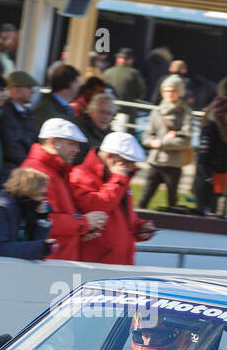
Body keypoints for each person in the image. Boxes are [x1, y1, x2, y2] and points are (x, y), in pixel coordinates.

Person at [21, 118, 107, 261]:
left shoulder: (56, 171)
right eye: (71, 143)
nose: (77, 150)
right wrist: (84, 223)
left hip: (56, 259)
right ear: (54, 142)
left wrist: (83, 229)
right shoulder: (37, 172)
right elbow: (45, 220)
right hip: (50, 261)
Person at [70, 131, 156, 264]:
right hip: (95, 265)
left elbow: (123, 217)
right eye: (127, 162)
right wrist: (118, 178)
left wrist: (141, 227)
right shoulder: (80, 175)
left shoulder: (117, 178)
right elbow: (97, 207)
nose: (130, 167)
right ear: (110, 156)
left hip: (118, 263)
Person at [193, 76, 227, 216]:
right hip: (210, 181)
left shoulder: (226, 127)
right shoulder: (213, 127)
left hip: (220, 179)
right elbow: (203, 158)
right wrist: (210, 178)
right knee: (207, 216)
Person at [139, 75, 192, 210]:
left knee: (172, 201)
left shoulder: (185, 112)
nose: (168, 94)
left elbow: (186, 141)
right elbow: (146, 136)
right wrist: (153, 142)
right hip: (155, 161)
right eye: (166, 91)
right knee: (144, 199)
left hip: (173, 163)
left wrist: (162, 143)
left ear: (179, 92)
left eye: (172, 91)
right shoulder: (156, 111)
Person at [0, 168, 55, 260]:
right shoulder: (1, 208)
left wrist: (42, 219)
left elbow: (34, 245)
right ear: (29, 191)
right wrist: (41, 248)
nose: (44, 199)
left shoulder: (26, 208)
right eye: (41, 194)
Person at [0, 70, 38, 185]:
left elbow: (35, 141)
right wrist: (31, 164)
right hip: (10, 175)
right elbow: (11, 147)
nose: (33, 91)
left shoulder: (28, 113)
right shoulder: (4, 113)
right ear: (14, 90)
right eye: (29, 87)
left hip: (25, 171)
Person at [32, 61, 81, 130]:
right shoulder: (46, 109)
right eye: (76, 82)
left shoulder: (62, 107)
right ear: (70, 84)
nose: (79, 85)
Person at [76, 91, 116, 157]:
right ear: (91, 110)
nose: (105, 117)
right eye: (102, 111)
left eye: (109, 113)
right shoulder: (78, 129)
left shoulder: (113, 137)